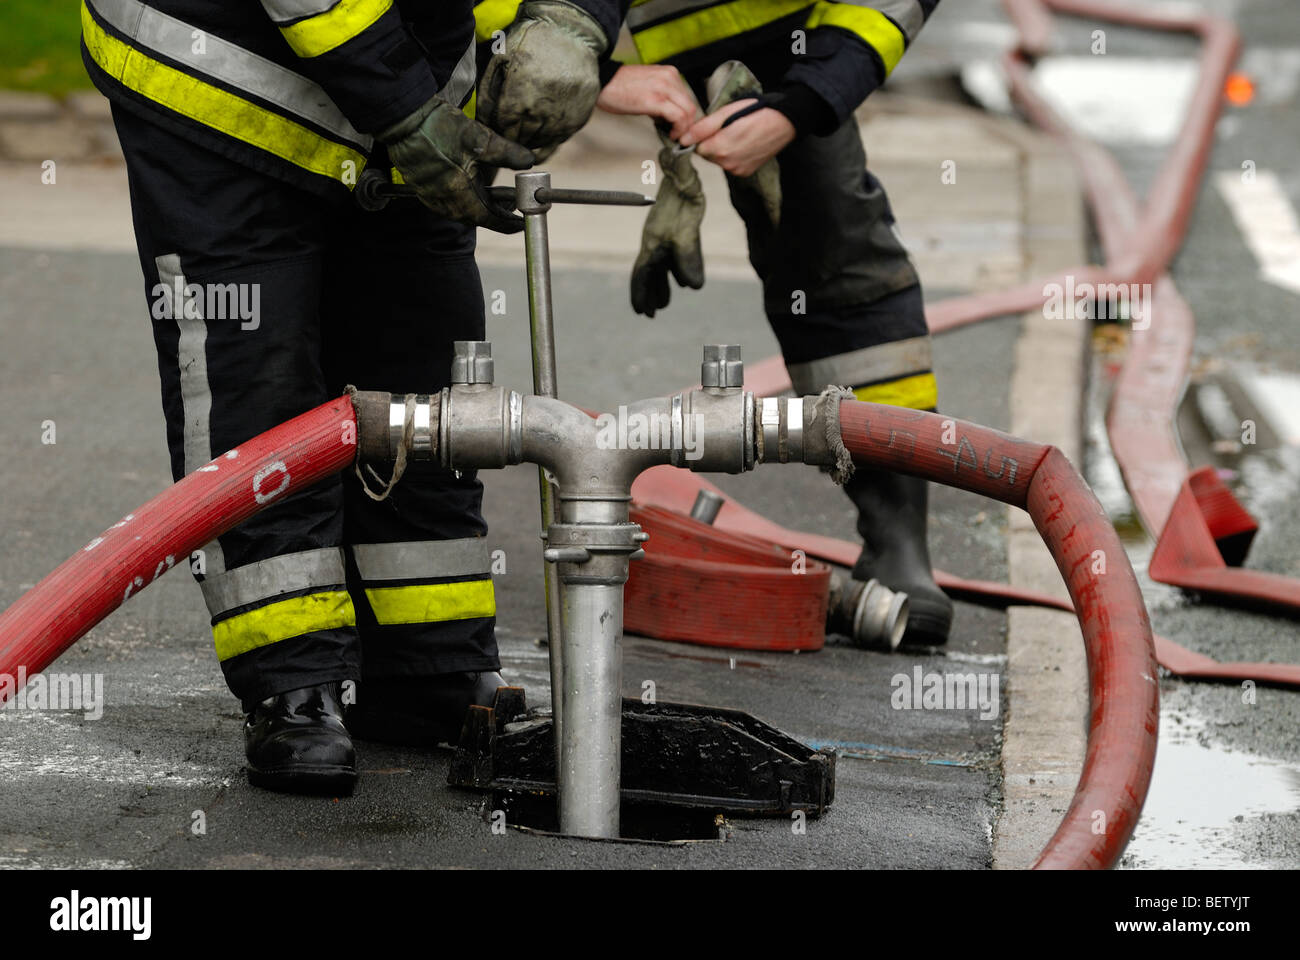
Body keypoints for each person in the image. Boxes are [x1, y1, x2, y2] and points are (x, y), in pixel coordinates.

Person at [78, 0, 615, 794]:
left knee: (423, 359)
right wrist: (398, 106)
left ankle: (423, 665)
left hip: (415, 79)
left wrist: (575, 19)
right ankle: (290, 680)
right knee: (254, 375)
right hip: (223, 69)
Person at [518, 0, 954, 645]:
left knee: (834, 242)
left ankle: (897, 536)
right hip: (613, 25)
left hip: (806, 28)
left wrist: (804, 103)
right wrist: (587, 68)